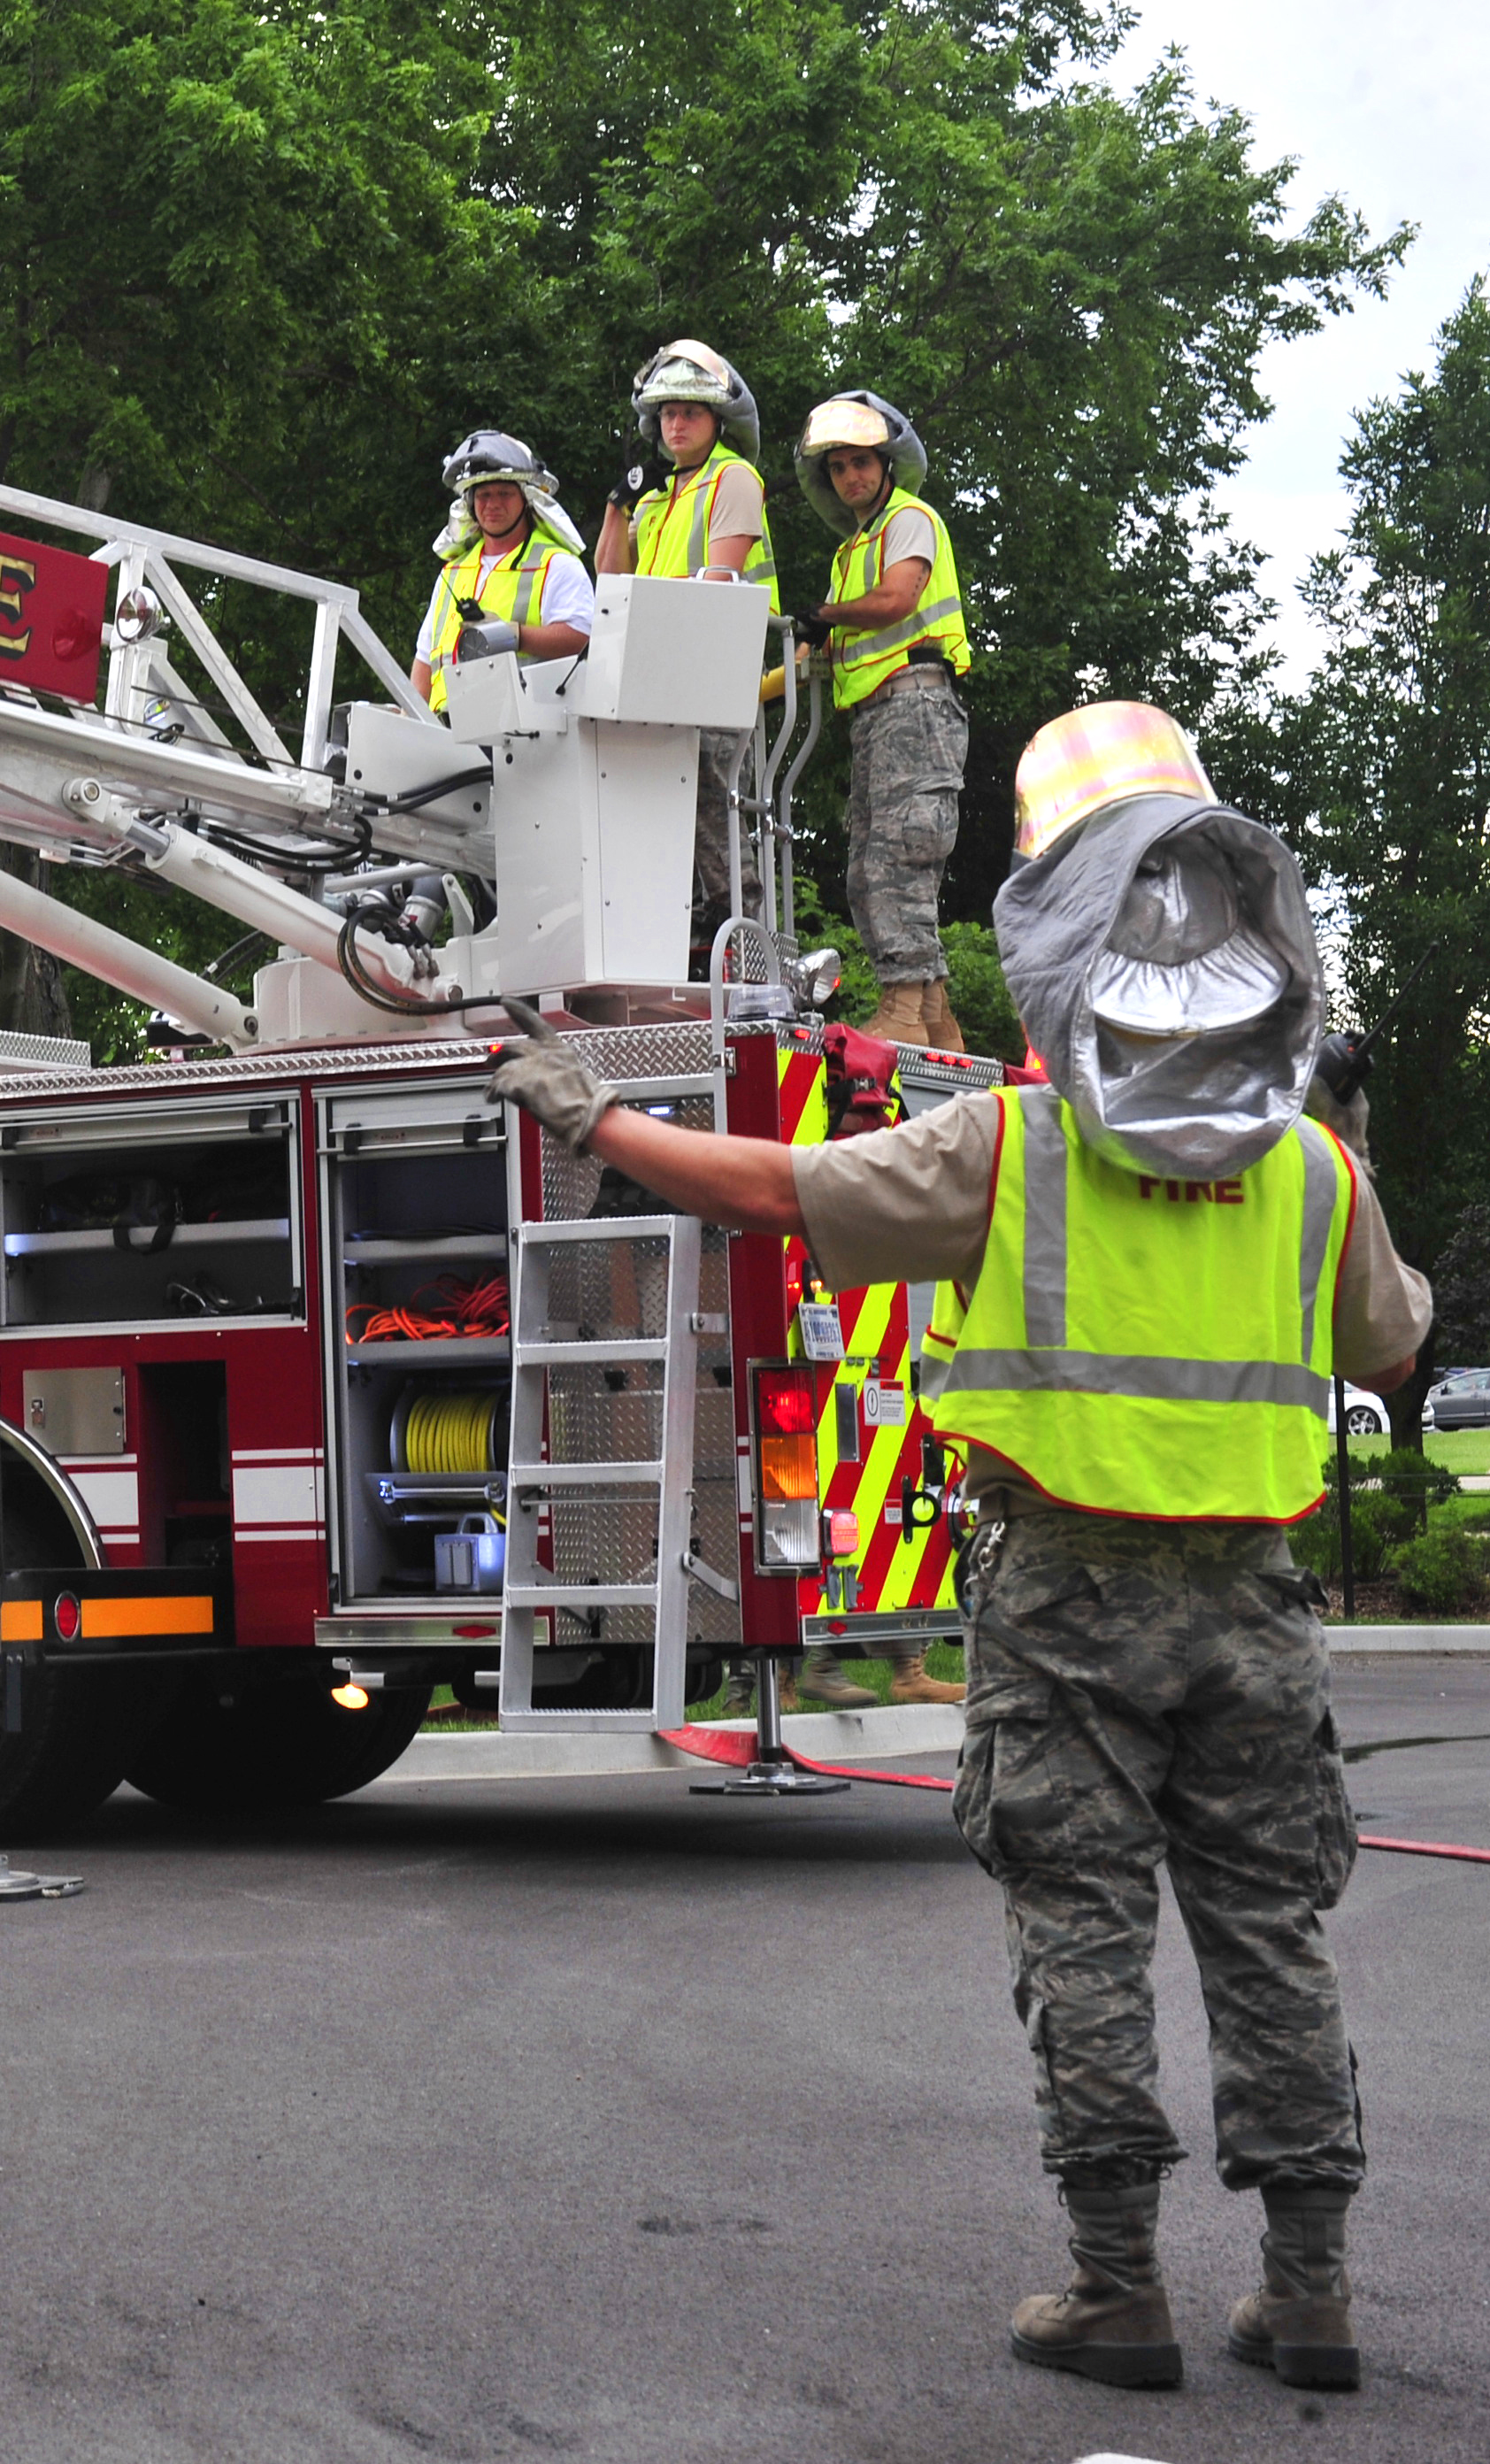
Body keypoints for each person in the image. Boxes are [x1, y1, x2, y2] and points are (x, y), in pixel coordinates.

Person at [490, 701, 1421, 2398]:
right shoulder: (1309, 1174)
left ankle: (1113, 2285)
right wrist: (1340, 1145)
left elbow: (778, 1189)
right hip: (1255, 1611)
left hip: (1063, 1595)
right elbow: (1390, 1347)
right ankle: (1309, 2293)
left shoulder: (1010, 1143)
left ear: (1053, 905)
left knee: (1080, 1928)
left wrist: (593, 1119)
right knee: (1269, 1934)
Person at [791, 393, 976, 1050]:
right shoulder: (852, 552)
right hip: (881, 717)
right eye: (839, 467)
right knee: (874, 870)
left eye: (862, 462)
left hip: (915, 704)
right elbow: (817, 653)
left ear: (887, 463)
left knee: (898, 860)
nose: (852, 477)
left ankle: (901, 1010)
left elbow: (897, 600)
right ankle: (932, 1017)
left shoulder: (909, 519)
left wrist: (826, 614)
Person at [595, 341, 779, 933]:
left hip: (716, 669)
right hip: (660, 674)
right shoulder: (654, 498)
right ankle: (695, 936)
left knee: (714, 807)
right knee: (664, 811)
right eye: (668, 413)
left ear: (716, 420)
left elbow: (719, 580)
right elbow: (610, 577)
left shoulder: (734, 477)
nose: (677, 423)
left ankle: (744, 942)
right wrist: (617, 505)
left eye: (691, 413)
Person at [410, 431, 596, 712]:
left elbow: (583, 638)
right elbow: (425, 660)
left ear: (526, 500)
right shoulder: (452, 573)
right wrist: (412, 717)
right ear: (471, 504)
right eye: (484, 495)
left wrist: (515, 635)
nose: (493, 504)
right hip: (443, 733)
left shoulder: (558, 565)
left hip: (518, 735)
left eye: (505, 494)